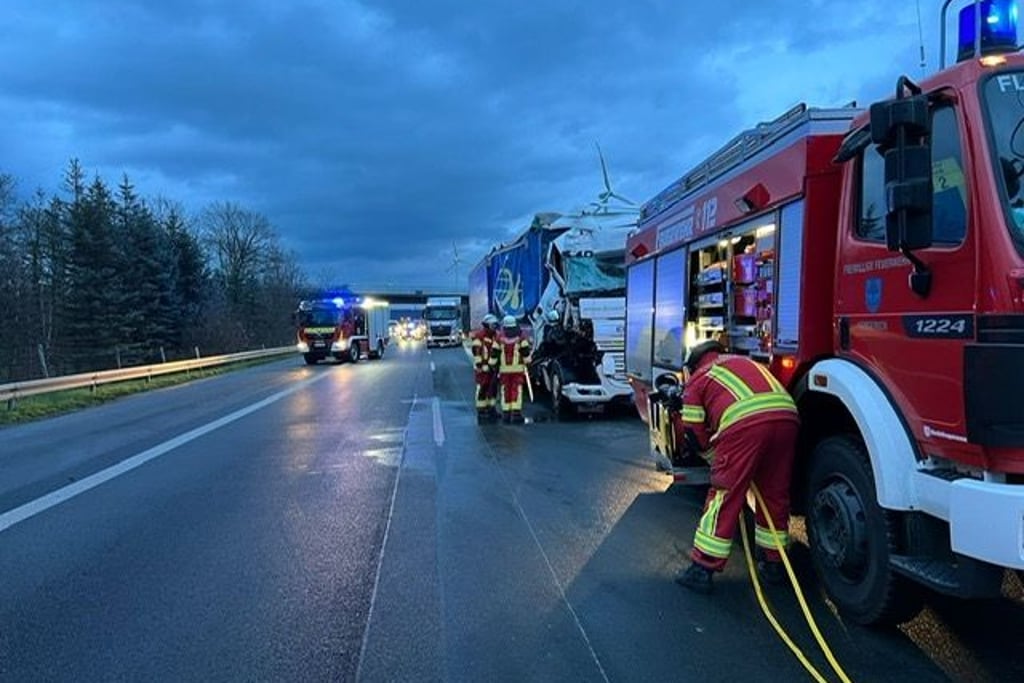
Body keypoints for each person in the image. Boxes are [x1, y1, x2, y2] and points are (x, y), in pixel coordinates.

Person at [673, 339, 800, 594]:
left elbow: (692, 431)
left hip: (746, 425)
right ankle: (774, 563)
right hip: (788, 419)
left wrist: (713, 458)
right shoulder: (744, 362)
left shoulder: (699, 378)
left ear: (694, 364)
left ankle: (702, 568)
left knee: (724, 494)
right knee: (773, 495)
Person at [492, 314, 531, 424]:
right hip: (517, 370)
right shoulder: (521, 338)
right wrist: (528, 362)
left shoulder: (499, 338)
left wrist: (492, 365)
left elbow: (494, 354)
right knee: (516, 390)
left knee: (505, 390)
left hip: (504, 370)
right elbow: (526, 353)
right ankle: (516, 413)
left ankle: (506, 413)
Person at [470, 314, 500, 423]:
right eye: (493, 325)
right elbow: (476, 352)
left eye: (495, 325)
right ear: (487, 325)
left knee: (493, 389)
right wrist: (480, 366)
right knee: (482, 389)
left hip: (492, 368)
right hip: (482, 369)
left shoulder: (495, 336)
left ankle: (491, 409)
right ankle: (481, 410)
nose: (495, 327)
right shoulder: (480, 336)